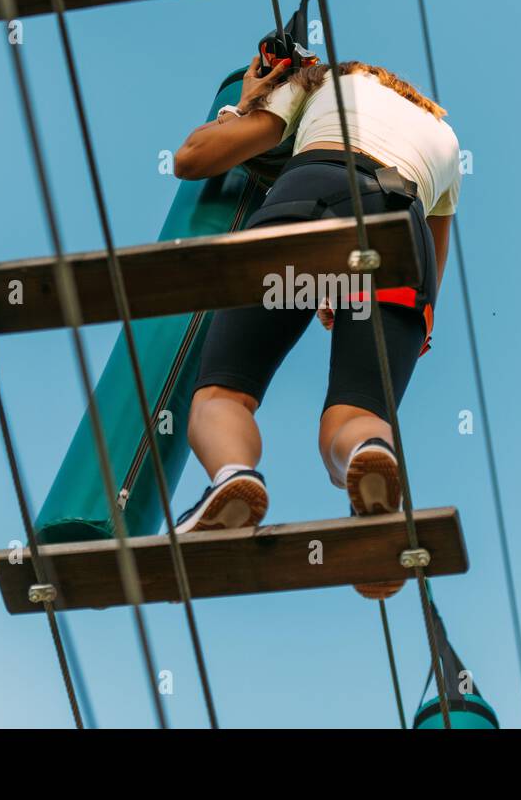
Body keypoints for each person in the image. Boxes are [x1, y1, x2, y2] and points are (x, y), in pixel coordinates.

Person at [171, 56, 461, 597]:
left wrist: (249, 100)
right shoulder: (445, 136)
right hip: (403, 235)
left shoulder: (322, 81)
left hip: (312, 195)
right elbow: (434, 264)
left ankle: (233, 477)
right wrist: (364, 296)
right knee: (356, 413)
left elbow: (193, 159)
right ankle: (368, 458)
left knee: (224, 394)